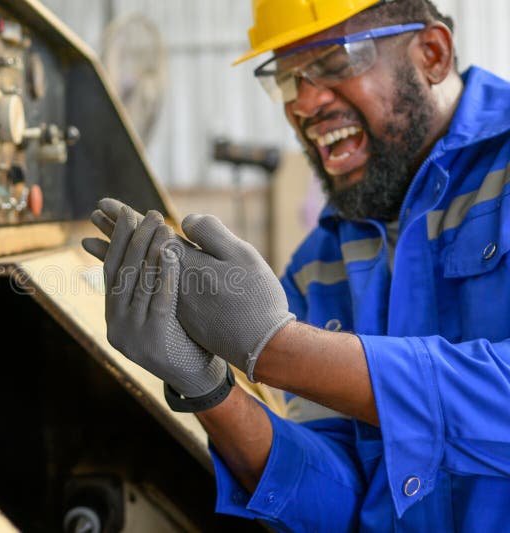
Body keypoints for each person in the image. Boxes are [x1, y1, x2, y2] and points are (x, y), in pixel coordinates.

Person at [81, 0, 510, 530]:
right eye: (287, 78)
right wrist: (210, 390)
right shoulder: (318, 264)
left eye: (335, 63)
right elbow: (343, 502)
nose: (304, 102)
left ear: (432, 53)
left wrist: (278, 348)